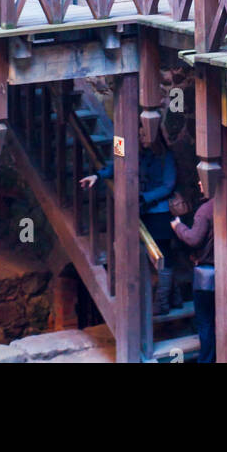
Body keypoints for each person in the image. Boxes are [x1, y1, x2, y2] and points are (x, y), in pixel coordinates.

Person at [80, 119, 178, 314]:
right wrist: (97, 176)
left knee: (163, 256)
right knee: (156, 257)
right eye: (139, 135)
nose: (142, 139)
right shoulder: (134, 153)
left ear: (154, 136)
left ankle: (163, 302)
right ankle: (174, 298)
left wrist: (144, 197)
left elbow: (168, 185)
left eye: (145, 136)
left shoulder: (166, 156)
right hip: (142, 212)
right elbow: (116, 164)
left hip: (159, 212)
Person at [171, 179, 215, 363]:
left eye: (203, 179)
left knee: (205, 322)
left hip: (207, 274)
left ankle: (206, 360)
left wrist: (178, 227)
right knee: (217, 320)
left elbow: (194, 239)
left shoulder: (204, 211)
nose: (198, 182)